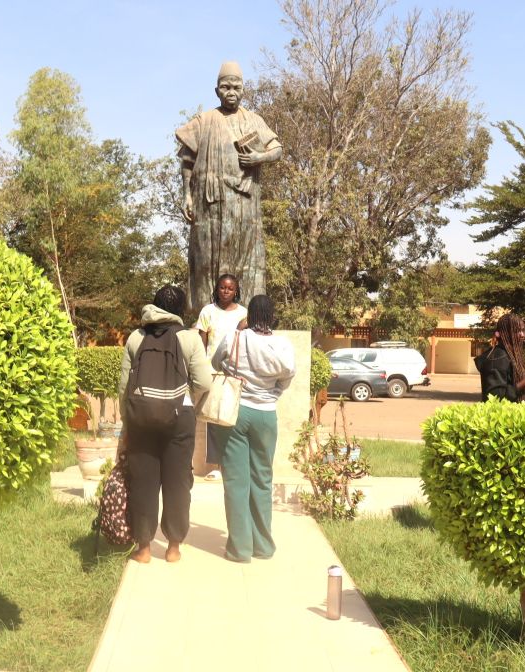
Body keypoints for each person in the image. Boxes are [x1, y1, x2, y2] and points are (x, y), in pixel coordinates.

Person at [176, 61, 282, 311]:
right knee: (206, 260)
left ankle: (249, 314)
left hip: (245, 205)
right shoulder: (204, 121)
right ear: (217, 91)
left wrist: (259, 157)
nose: (231, 92)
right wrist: (187, 195)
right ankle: (206, 313)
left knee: (248, 260)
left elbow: (277, 149)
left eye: (236, 87)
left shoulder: (254, 120)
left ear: (243, 90)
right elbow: (187, 161)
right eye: (225, 87)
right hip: (210, 204)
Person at [119, 285, 213, 564]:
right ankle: (173, 547)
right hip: (179, 417)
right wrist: (186, 396)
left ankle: (144, 548)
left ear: (154, 305)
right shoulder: (189, 338)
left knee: (143, 481)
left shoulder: (136, 337)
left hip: (141, 420)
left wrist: (127, 422)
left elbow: (124, 387)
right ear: (180, 309)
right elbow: (204, 382)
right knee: (178, 482)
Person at [211, 295, 295, 563]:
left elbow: (215, 363)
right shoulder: (282, 344)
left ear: (248, 317)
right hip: (266, 415)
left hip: (235, 412)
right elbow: (287, 377)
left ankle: (240, 549)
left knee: (236, 481)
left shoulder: (235, 337)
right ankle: (263, 546)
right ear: (271, 317)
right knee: (262, 479)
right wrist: (272, 392)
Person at [193, 273, 248, 481]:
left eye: (230, 288)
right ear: (217, 289)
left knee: (234, 419)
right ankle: (216, 466)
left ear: (236, 291)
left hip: (235, 372)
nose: (226, 291)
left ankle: (232, 464)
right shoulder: (207, 311)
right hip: (213, 372)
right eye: (222, 287)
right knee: (214, 420)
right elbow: (201, 342)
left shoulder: (243, 313)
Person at [475, 313, 525, 402]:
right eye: (517, 331)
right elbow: (495, 398)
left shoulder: (510, 355)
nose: (522, 335)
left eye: (523, 330)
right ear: (505, 333)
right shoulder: (498, 358)